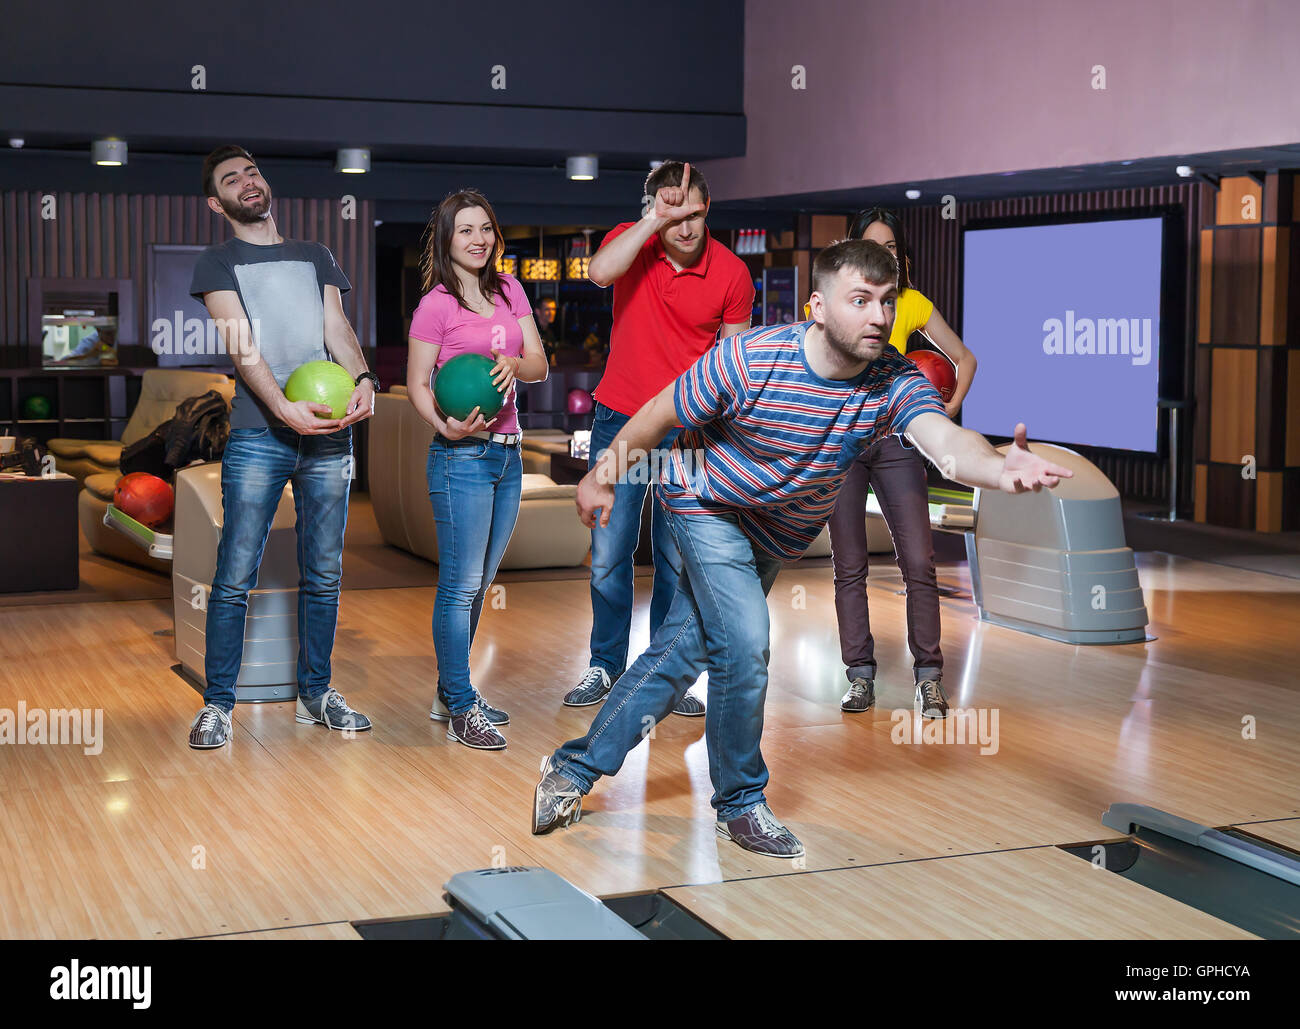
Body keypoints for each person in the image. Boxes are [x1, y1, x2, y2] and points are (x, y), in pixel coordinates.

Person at [532, 239, 1071, 857]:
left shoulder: (891, 380)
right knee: (745, 641)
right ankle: (741, 803)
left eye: (887, 301)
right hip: (705, 502)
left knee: (683, 654)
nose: (879, 316)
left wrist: (1000, 469)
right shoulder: (751, 359)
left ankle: (569, 771)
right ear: (817, 305)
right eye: (861, 300)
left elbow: (946, 443)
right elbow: (659, 413)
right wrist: (605, 474)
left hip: (774, 532)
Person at [187, 145, 377, 749]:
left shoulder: (314, 255)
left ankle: (316, 695)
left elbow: (337, 331)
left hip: (329, 434)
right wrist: (282, 408)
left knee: (324, 573)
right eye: (230, 179)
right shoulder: (216, 263)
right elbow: (243, 347)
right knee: (235, 573)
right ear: (217, 203)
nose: (247, 182)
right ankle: (218, 703)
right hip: (258, 436)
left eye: (252, 171)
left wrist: (367, 379)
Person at [564, 161, 754, 717]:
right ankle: (605, 665)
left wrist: (722, 434)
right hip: (620, 423)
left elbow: (731, 361)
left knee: (676, 561)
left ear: (708, 209)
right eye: (674, 214)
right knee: (608, 554)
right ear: (653, 211)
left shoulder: (733, 274)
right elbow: (599, 273)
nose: (687, 227)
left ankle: (665, 677)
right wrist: (653, 221)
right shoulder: (632, 244)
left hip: (687, 433)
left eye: (695, 213)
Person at [406, 191, 550, 750]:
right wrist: (444, 427)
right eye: (465, 230)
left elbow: (538, 364)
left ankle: (453, 689)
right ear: (446, 240)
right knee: (460, 583)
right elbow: (419, 384)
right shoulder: (435, 306)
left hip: (508, 453)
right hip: (459, 457)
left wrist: (516, 361)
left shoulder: (511, 289)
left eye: (486, 228)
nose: (478, 239)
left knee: (481, 585)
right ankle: (462, 704)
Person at [827, 207, 977, 718]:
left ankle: (929, 678)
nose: (882, 256)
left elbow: (965, 359)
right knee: (849, 566)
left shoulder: (910, 303)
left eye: (890, 249)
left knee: (919, 561)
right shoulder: (839, 304)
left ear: (901, 257)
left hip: (897, 441)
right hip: (846, 441)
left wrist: (947, 408)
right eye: (871, 246)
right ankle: (859, 676)